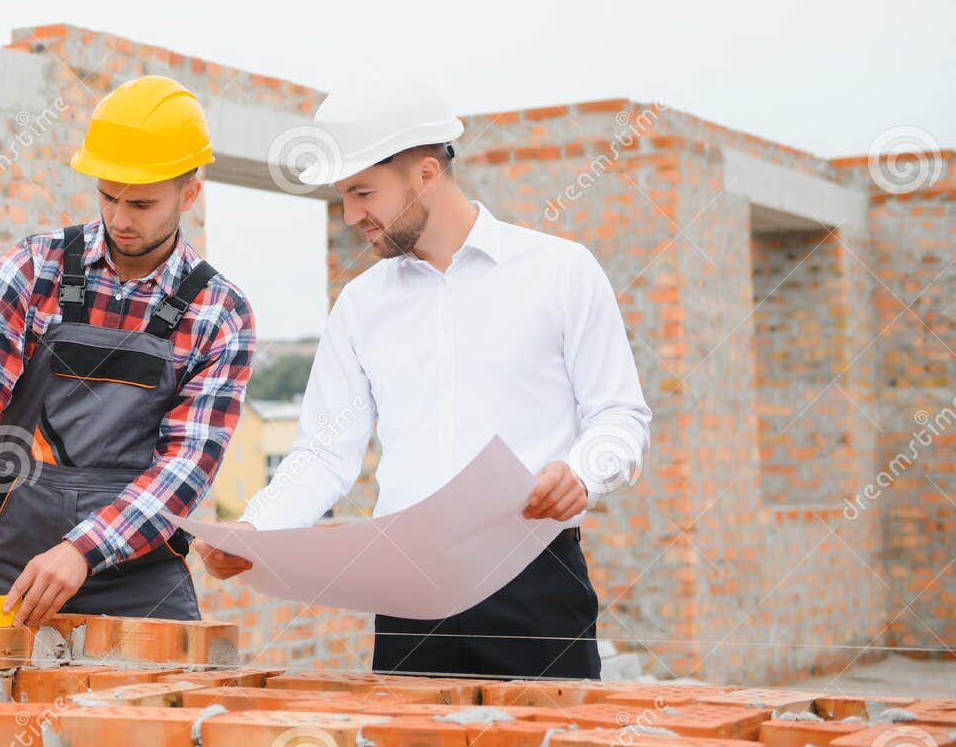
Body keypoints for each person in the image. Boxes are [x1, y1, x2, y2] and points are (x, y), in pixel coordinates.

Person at [196, 76, 650, 679]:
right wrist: (257, 529)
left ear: (427, 173)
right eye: (345, 196)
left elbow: (619, 415)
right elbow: (324, 454)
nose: (353, 214)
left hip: (534, 582)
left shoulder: (561, 273)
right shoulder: (359, 305)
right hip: (406, 593)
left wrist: (584, 473)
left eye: (363, 193)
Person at [0, 75, 255, 627]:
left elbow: (186, 467)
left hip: (141, 581)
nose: (121, 219)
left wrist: (82, 549)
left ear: (189, 192)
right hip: (19, 571)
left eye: (143, 203)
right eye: (108, 196)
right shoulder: (36, 269)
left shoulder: (219, 312)